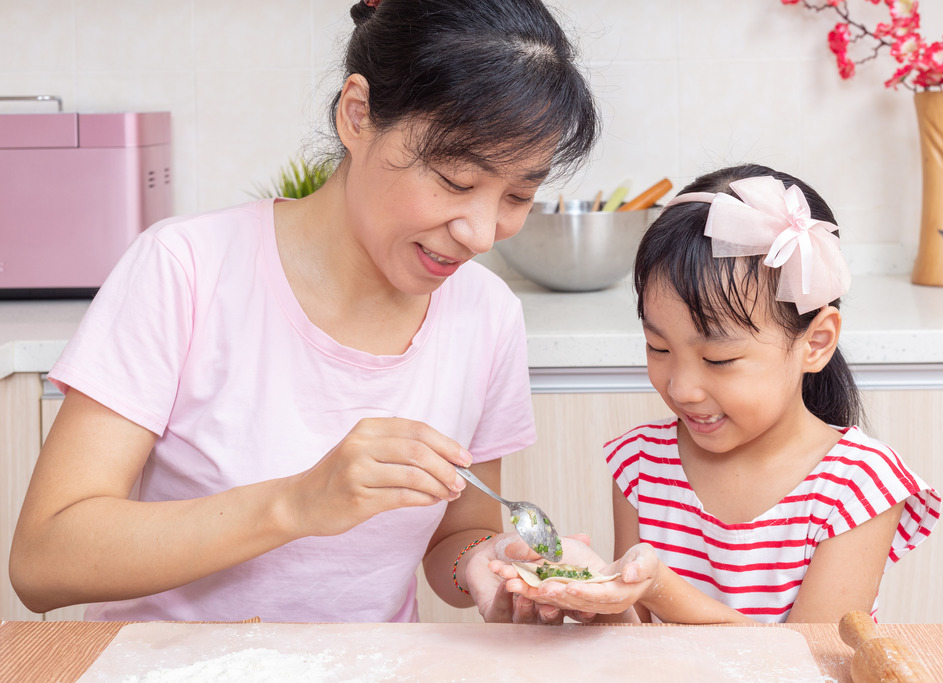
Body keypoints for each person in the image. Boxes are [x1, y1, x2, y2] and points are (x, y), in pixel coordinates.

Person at [9, 0, 600, 624]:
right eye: (455, 180)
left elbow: (456, 539)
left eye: (518, 195)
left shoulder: (487, 314)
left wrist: (493, 564)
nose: (482, 233)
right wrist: (295, 504)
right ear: (357, 116)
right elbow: (44, 563)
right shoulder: (185, 268)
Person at [491, 164, 941, 624]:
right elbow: (633, 641)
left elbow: (812, 660)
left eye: (719, 360)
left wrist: (661, 588)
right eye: (658, 347)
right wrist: (591, 593)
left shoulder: (860, 484)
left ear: (816, 342)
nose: (681, 388)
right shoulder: (644, 463)